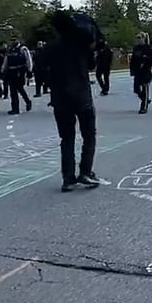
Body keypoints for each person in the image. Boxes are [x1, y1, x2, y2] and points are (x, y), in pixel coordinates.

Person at [47, 10, 104, 192]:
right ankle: (85, 171)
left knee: (67, 138)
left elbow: (41, 68)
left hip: (60, 98)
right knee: (89, 134)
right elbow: (91, 66)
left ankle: (68, 178)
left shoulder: (51, 48)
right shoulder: (81, 45)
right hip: (81, 96)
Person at [129, 32, 152, 113]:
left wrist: (146, 60)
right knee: (136, 89)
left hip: (145, 70)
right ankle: (145, 99)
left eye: (140, 38)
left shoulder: (147, 48)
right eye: (138, 38)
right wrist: (132, 70)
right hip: (137, 71)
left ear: (144, 38)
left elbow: (151, 59)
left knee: (145, 88)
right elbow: (133, 60)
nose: (139, 39)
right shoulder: (136, 48)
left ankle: (144, 107)